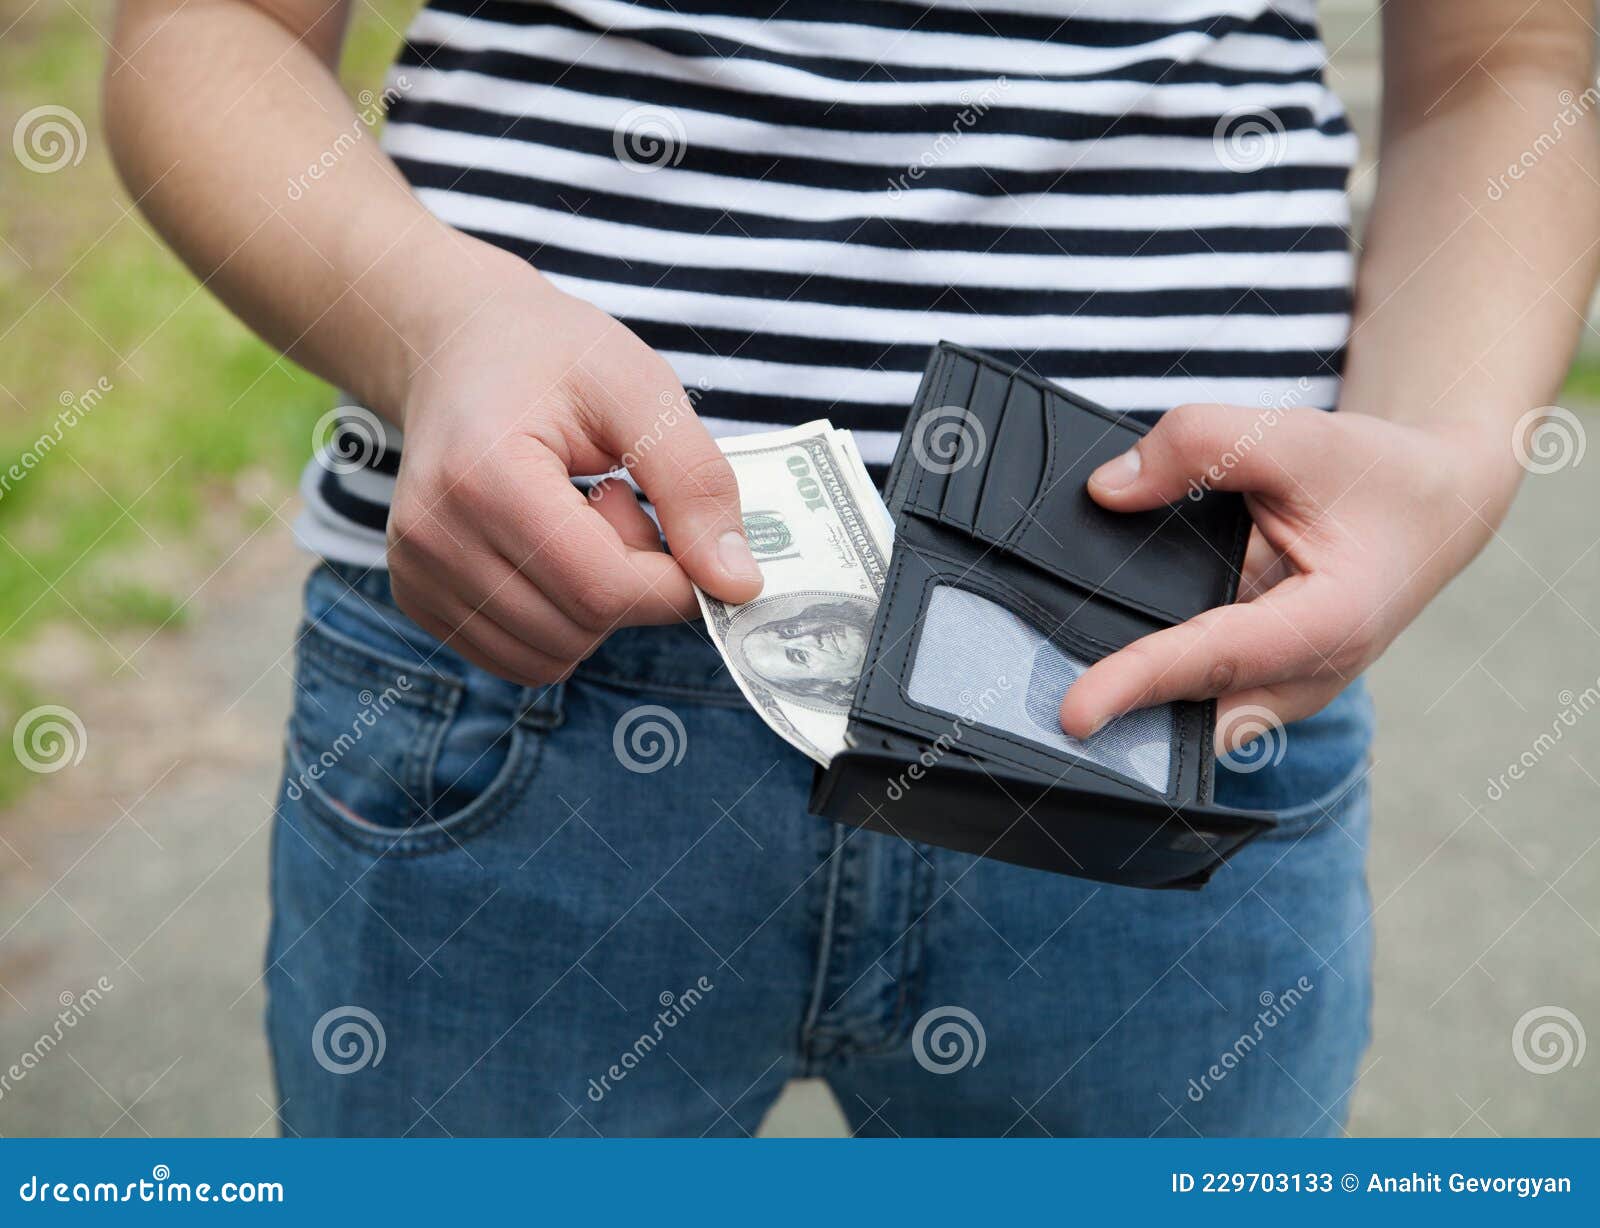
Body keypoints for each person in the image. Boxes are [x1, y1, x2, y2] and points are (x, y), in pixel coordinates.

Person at [105, 0, 1599, 1136]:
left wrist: (1453, 459)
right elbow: (203, 25)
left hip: (1168, 684)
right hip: (525, 671)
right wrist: (433, 331)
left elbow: (1512, 63)